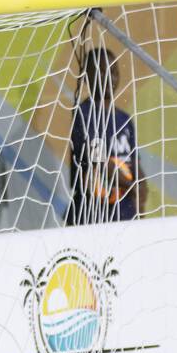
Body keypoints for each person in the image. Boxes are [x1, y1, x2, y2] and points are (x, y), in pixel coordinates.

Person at [65, 47, 148, 225]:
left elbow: (136, 165)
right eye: (102, 71)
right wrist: (129, 185)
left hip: (124, 211)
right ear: (87, 77)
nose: (110, 76)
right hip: (92, 213)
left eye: (114, 70)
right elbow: (98, 161)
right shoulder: (84, 114)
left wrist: (141, 189)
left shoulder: (125, 120)